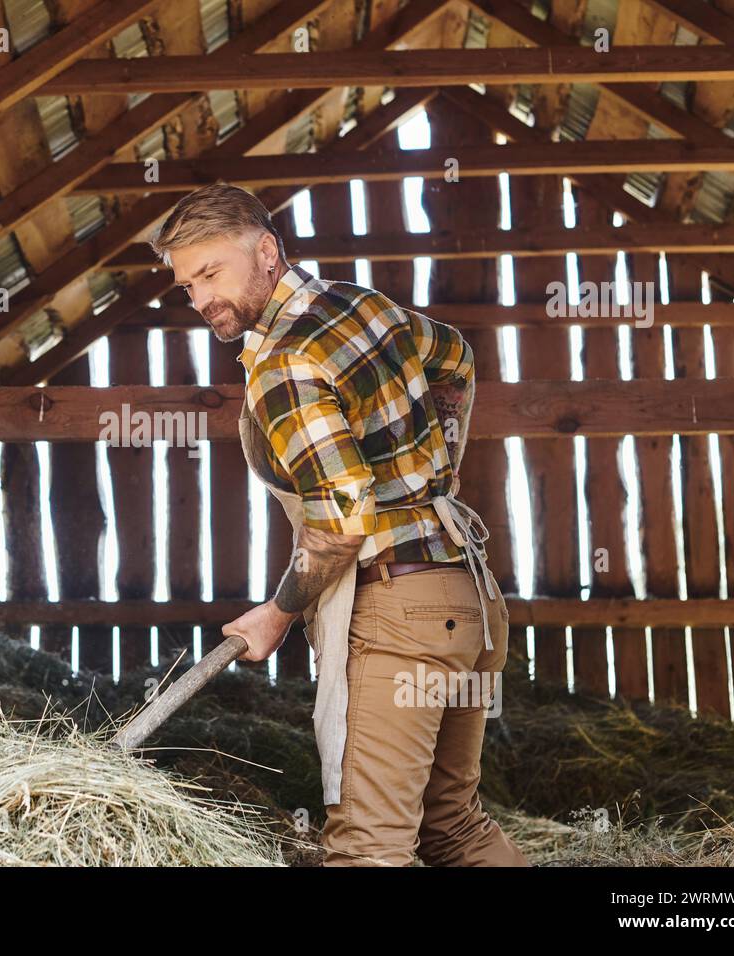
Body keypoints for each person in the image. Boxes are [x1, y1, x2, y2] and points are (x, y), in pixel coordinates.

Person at [149, 182, 528, 867]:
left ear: (266, 251)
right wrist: (431, 477)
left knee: (369, 850)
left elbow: (344, 519)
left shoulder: (285, 361)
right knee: (452, 828)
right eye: (187, 287)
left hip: (394, 611)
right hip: (464, 599)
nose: (202, 299)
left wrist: (278, 612)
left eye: (211, 273)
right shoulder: (363, 307)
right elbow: (457, 359)